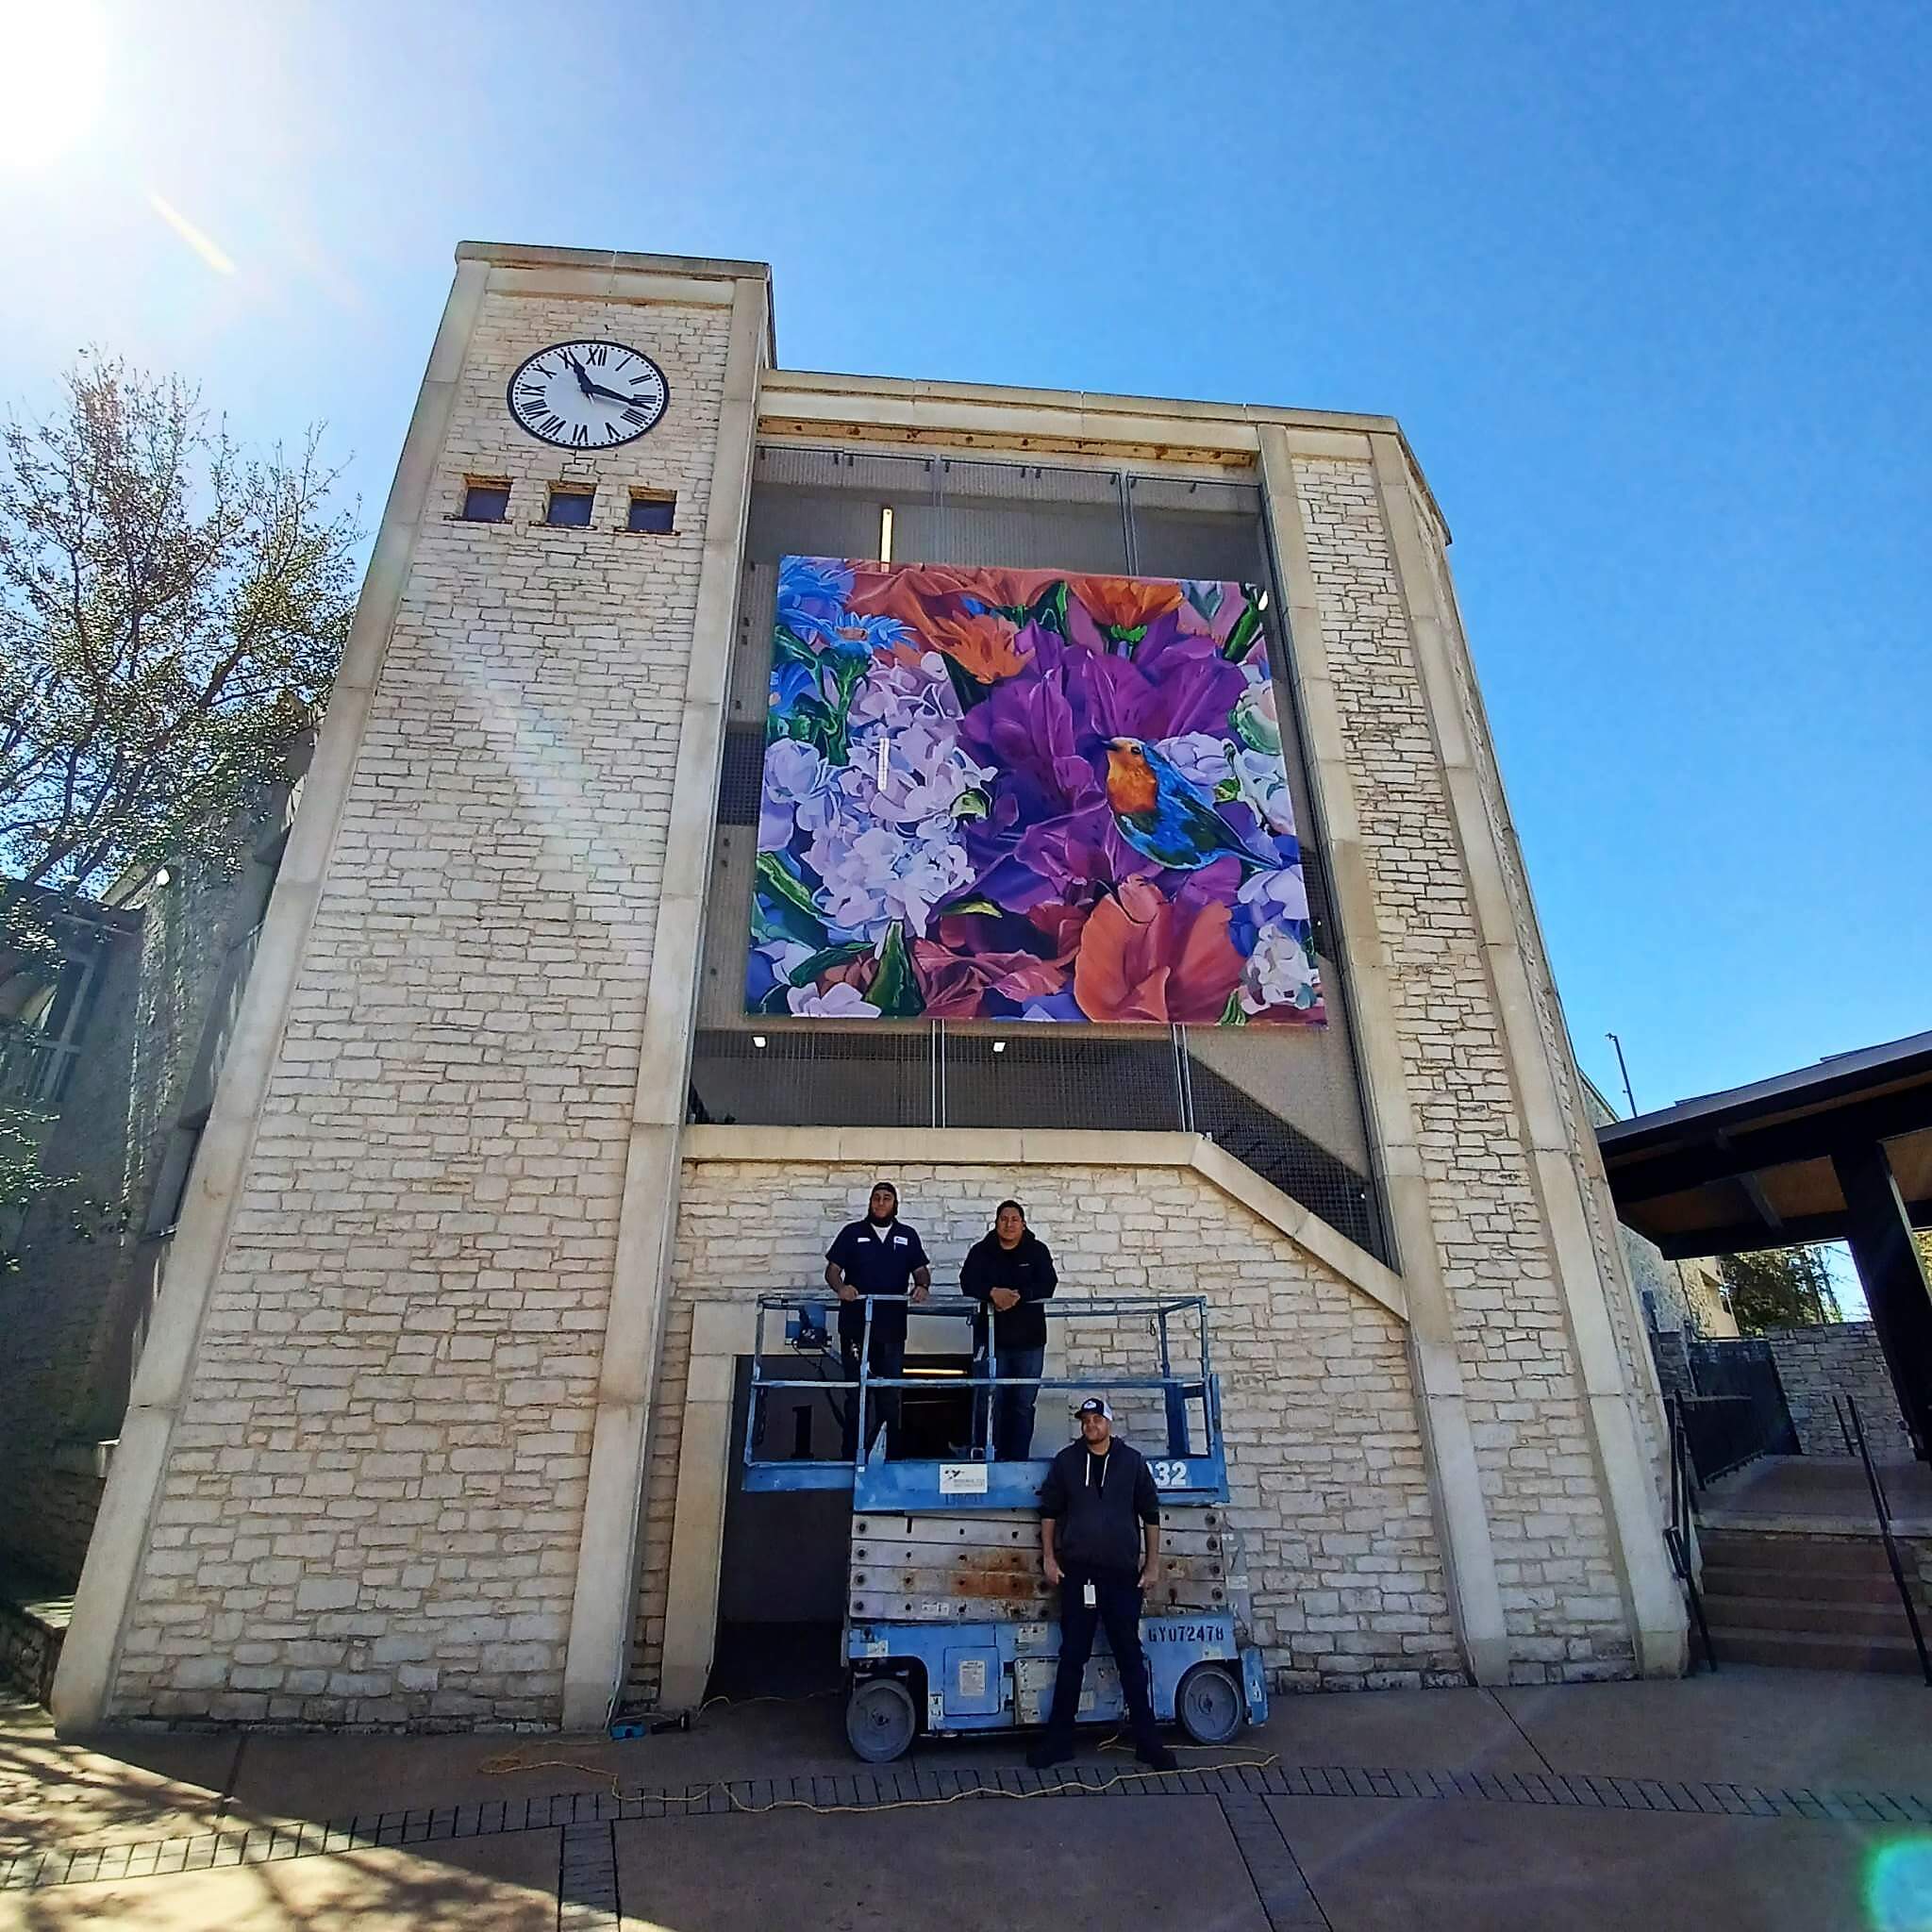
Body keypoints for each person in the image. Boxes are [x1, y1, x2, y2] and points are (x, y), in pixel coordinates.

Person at [1027, 1396, 1176, 1771]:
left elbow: (1151, 1514)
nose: (1090, 1425)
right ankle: (1059, 1741)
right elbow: (1049, 1512)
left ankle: (1147, 1742)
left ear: (1109, 1423)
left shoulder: (1131, 1462)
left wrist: (1153, 1564)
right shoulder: (1066, 1462)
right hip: (1079, 1576)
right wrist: (1049, 1557)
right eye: (1085, 1420)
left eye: (1097, 1419)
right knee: (1072, 1657)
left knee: (1129, 1656)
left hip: (1121, 1577)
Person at [824, 1182, 930, 1459]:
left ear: (895, 1204)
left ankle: (889, 1454)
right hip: (855, 1327)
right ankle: (851, 1454)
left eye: (887, 1198)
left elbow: (921, 1271)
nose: (881, 1203)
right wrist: (841, 1289)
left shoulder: (907, 1235)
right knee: (857, 1393)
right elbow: (833, 1270)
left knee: (889, 1393)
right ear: (870, 1202)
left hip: (892, 1328)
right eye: (876, 1198)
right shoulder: (852, 1233)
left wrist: (922, 1286)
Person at [960, 1200, 1058, 1459]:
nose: (1009, 1224)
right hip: (990, 1340)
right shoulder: (981, 1252)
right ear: (996, 1222)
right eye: (1004, 1218)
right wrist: (992, 1293)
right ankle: (987, 1457)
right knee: (987, 1402)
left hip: (1030, 1341)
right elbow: (967, 1282)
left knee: (1023, 1405)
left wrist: (1018, 1296)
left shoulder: (1037, 1251)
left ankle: (1018, 1461)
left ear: (1023, 1224)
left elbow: (1048, 1284)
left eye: (1014, 1219)